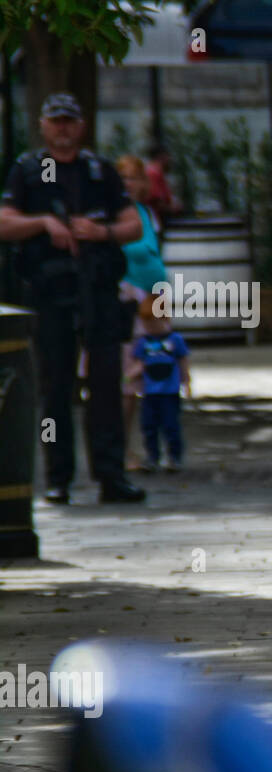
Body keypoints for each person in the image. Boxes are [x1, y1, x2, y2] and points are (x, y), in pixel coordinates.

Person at [0, 92, 146, 504]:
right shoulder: (30, 171)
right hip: (51, 296)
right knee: (54, 389)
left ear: (80, 126)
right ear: (44, 126)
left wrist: (103, 234)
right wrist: (45, 223)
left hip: (97, 292)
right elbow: (5, 223)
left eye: (69, 121)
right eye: (55, 121)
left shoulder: (99, 171)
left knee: (105, 386)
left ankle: (111, 475)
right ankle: (57, 477)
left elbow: (133, 222)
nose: (62, 128)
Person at [115, 154, 169, 471]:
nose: (129, 183)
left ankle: (151, 445)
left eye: (134, 177)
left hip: (154, 298)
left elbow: (155, 256)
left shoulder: (148, 214)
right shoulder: (109, 216)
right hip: (126, 299)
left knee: (154, 372)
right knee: (126, 376)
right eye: (122, 177)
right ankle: (120, 449)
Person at [131, 306, 190, 472]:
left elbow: (183, 360)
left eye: (153, 323)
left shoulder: (175, 340)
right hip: (150, 393)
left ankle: (174, 457)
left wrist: (186, 381)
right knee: (149, 426)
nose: (150, 328)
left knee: (171, 425)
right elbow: (139, 363)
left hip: (169, 392)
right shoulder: (144, 342)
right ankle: (152, 457)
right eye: (147, 324)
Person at [144, 144, 181, 226]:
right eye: (169, 156)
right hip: (155, 223)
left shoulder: (156, 173)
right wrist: (173, 209)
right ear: (162, 157)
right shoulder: (153, 174)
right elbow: (156, 202)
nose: (170, 160)